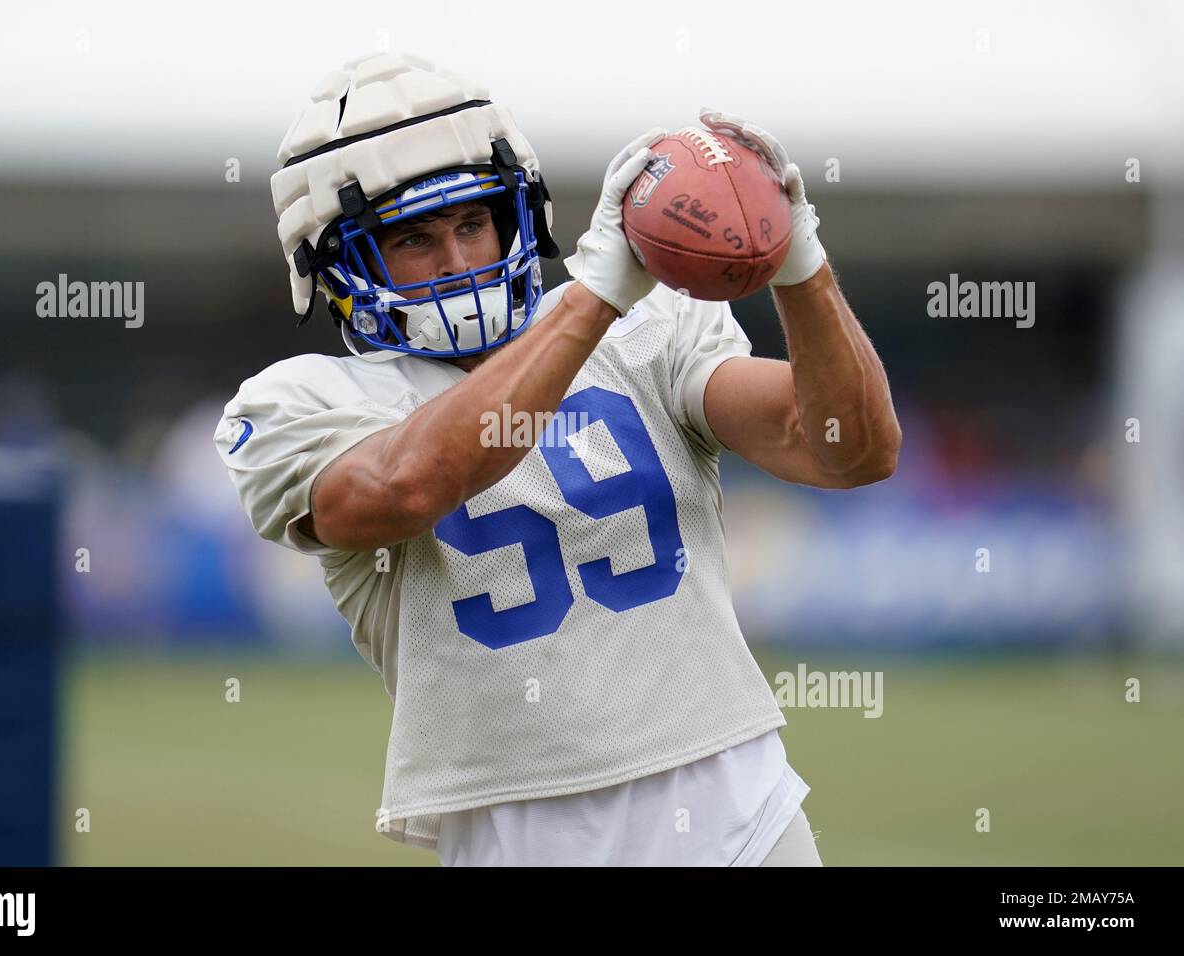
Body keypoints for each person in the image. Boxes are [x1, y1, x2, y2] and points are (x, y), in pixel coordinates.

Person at [215, 52, 901, 866]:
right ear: (338, 266)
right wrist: (593, 298)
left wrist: (801, 264)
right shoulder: (300, 402)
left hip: (735, 810)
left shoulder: (650, 333)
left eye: (474, 223)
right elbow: (401, 489)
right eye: (414, 238)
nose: (459, 259)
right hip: (515, 832)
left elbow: (849, 451)